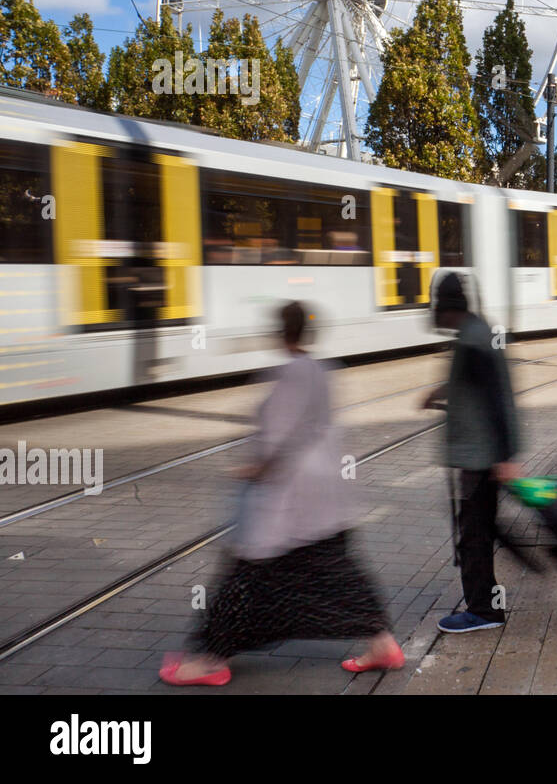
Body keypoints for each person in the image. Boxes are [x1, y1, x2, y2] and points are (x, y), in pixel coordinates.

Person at [160, 301, 403, 686]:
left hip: (290, 497)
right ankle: (382, 642)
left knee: (246, 577)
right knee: (336, 572)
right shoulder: (323, 369)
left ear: (281, 332)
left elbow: (277, 437)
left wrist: (252, 470)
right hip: (325, 496)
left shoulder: (289, 373)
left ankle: (210, 660)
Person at [424, 272, 525, 634]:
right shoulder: (477, 331)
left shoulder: (473, 340)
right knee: (480, 529)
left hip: (479, 458)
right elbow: (476, 385)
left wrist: (504, 456)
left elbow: (496, 399)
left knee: (474, 536)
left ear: (448, 310)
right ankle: (487, 604)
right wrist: (439, 393)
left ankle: (483, 610)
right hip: (481, 455)